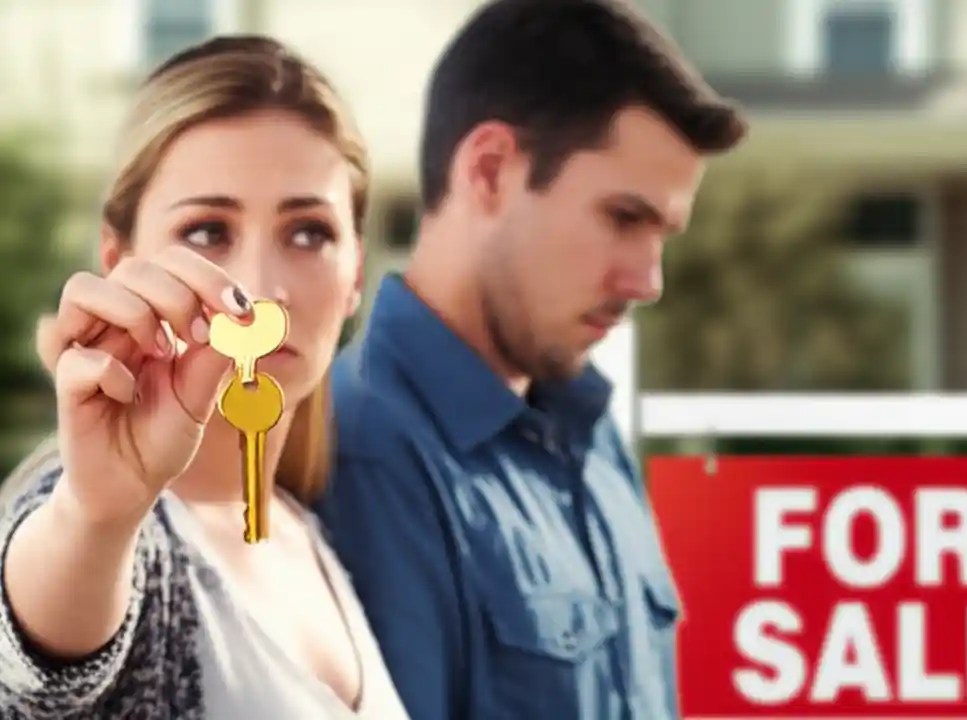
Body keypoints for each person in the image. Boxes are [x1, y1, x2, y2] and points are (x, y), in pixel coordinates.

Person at [311, 0, 748, 717]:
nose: (649, 281)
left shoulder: (592, 437)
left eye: (663, 234)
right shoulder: (363, 454)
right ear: (489, 171)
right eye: (623, 217)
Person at [0, 35, 409, 718]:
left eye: (309, 232)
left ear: (355, 276)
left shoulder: (308, 532)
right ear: (120, 262)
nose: (261, 289)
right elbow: (31, 675)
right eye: (207, 232)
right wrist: (95, 519)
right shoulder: (104, 526)